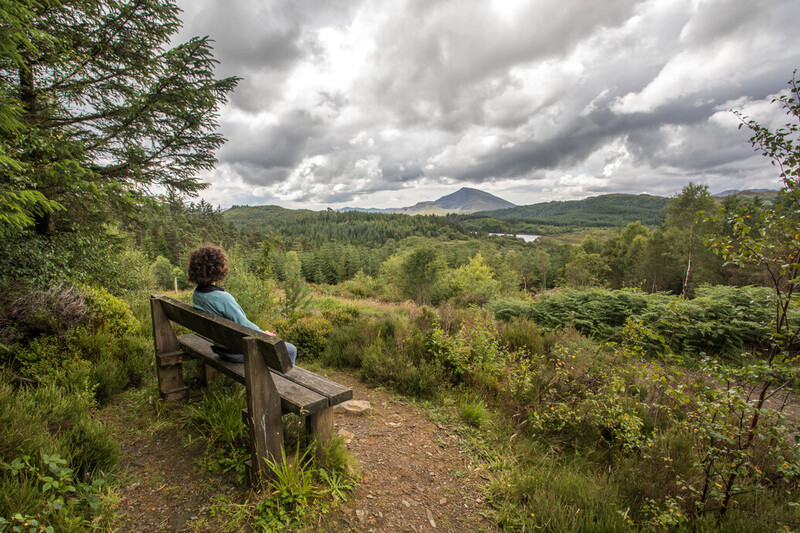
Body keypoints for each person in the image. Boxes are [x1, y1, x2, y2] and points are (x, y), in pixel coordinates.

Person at [187, 245, 297, 365]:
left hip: (220, 348)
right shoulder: (223, 298)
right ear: (217, 269)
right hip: (236, 352)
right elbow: (244, 325)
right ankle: (280, 378)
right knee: (291, 350)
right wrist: (264, 334)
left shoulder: (197, 293)